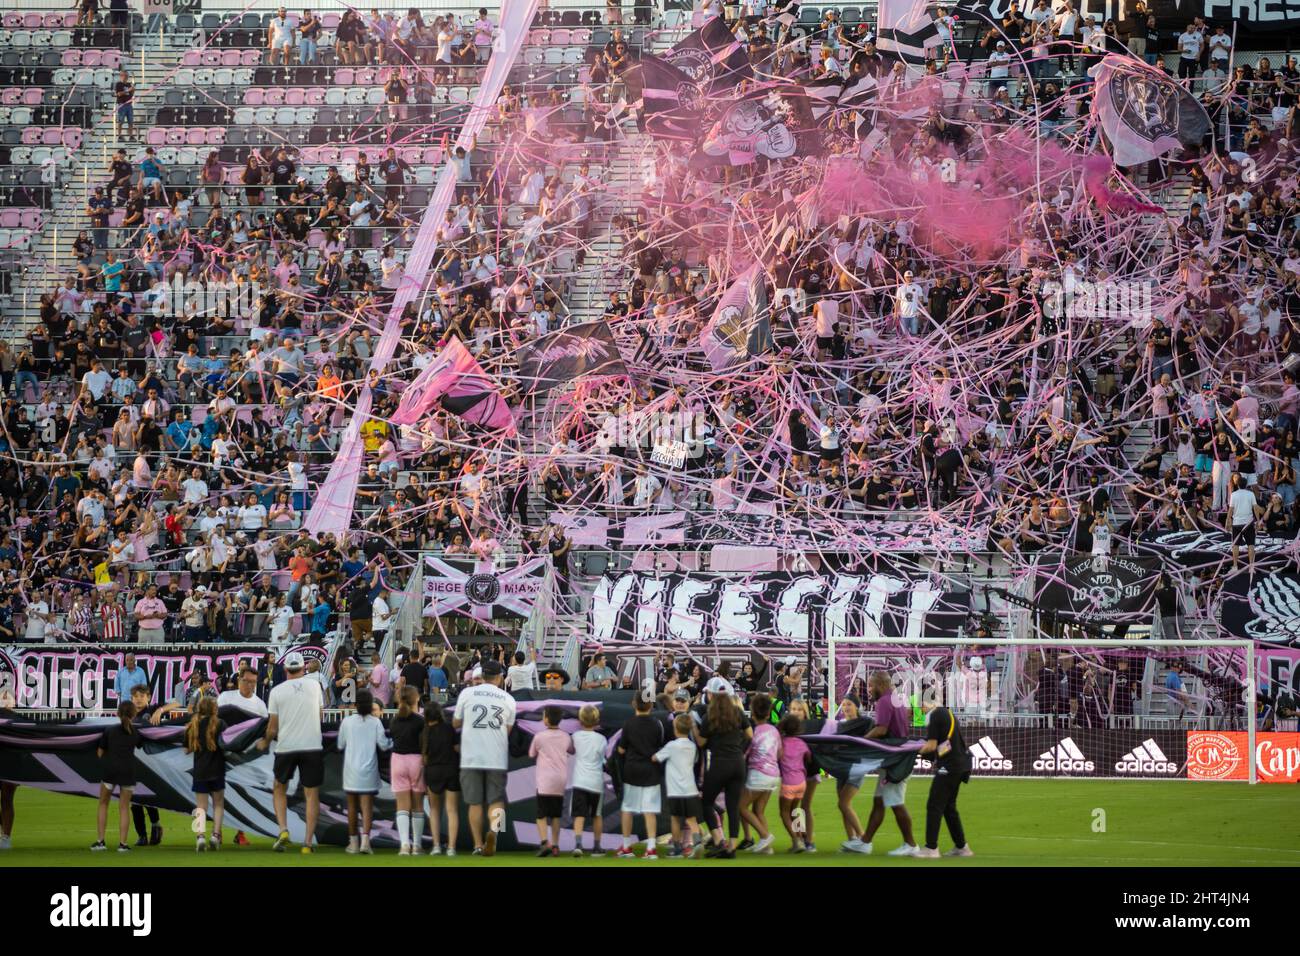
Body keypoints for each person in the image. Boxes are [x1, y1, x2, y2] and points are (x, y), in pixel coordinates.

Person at [257, 651, 324, 853]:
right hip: (312, 745)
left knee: (279, 788)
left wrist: (265, 741)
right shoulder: (314, 686)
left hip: (286, 746)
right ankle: (307, 844)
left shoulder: (276, 691)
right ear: (303, 668)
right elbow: (320, 716)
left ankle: (283, 829)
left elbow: (272, 728)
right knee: (311, 794)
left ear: (285, 669)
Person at [452, 659, 515, 856]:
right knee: (496, 800)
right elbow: (508, 730)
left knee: (474, 802)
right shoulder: (508, 699)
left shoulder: (467, 693)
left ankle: (478, 844)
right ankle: (494, 833)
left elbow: (455, 723)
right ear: (499, 677)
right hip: (496, 754)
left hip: (471, 754)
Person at [856, 671, 919, 856]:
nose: (868, 689)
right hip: (895, 757)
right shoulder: (895, 698)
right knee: (879, 801)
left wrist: (861, 740)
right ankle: (865, 842)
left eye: (870, 685)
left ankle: (910, 844)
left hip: (895, 761)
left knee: (896, 802)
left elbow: (881, 729)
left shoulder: (884, 701)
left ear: (881, 685)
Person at [694, 688, 752, 859]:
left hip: (719, 763)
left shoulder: (709, 717)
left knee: (706, 803)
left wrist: (694, 728)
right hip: (738, 763)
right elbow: (750, 734)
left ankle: (719, 840)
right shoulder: (737, 713)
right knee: (733, 806)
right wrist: (739, 749)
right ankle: (731, 847)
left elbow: (701, 742)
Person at [913, 702, 974, 858]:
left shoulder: (935, 715)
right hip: (961, 765)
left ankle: (931, 848)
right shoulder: (947, 714)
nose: (920, 709)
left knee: (934, 804)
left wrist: (913, 750)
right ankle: (962, 847)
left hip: (950, 766)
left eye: (920, 705)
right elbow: (945, 745)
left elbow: (932, 746)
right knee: (948, 807)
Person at [338, 689, 389, 855]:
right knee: (367, 807)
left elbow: (340, 745)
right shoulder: (376, 723)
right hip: (369, 770)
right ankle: (365, 842)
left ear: (355, 704)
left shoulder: (347, 722)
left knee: (352, 807)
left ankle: (353, 843)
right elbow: (384, 745)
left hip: (351, 771)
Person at [616, 690, 663, 859]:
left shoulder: (629, 724)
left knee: (627, 809)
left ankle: (627, 846)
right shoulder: (657, 723)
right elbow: (659, 745)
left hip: (632, 770)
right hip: (651, 770)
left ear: (634, 704)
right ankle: (651, 848)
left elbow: (621, 749)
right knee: (649, 811)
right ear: (651, 704)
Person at [91, 701, 142, 852]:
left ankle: (100, 842)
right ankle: (123, 844)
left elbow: (100, 753)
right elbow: (141, 744)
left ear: (118, 714)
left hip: (110, 771)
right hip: (128, 772)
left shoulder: (109, 730)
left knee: (103, 804)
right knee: (124, 807)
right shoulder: (135, 733)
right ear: (134, 714)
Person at [652, 712, 702, 858]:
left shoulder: (671, 746)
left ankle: (677, 848)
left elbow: (656, 758)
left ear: (675, 728)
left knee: (675, 819)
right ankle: (697, 843)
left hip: (675, 790)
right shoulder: (692, 747)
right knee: (691, 819)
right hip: (690, 789)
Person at [528, 705, 574, 857]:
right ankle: (555, 845)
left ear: (546, 719)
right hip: (560, 780)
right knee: (555, 815)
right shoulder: (566, 736)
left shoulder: (539, 736)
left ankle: (544, 843)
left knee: (541, 815)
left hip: (544, 781)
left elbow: (531, 754)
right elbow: (571, 749)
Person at [738, 693, 780, 854]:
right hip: (773, 774)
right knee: (759, 810)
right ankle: (766, 848)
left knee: (740, 806)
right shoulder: (774, 731)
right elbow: (779, 753)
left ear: (752, 712)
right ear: (769, 713)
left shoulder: (752, 732)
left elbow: (745, 754)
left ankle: (765, 835)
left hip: (758, 775)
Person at [185, 696, 227, 852]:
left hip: (200, 770)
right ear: (214, 709)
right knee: (218, 804)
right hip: (217, 769)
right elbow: (228, 743)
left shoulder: (193, 725)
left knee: (201, 806)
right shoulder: (221, 724)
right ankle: (215, 835)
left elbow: (186, 749)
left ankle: (200, 837)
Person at [389, 686, 426, 855]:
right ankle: (417, 845)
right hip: (416, 760)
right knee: (418, 806)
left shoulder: (395, 720)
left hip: (398, 760)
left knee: (402, 806)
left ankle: (404, 845)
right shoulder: (420, 721)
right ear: (416, 699)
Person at [422, 700, 460, 856]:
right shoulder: (449, 728)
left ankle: (436, 846)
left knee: (435, 810)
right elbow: (456, 748)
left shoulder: (424, 732)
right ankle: (451, 847)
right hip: (451, 770)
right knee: (452, 810)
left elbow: (424, 758)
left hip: (433, 771)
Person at [569, 704, 606, 857]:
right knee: (597, 815)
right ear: (597, 720)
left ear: (580, 720)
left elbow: (570, 750)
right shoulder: (602, 739)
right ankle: (597, 846)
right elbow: (604, 757)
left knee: (579, 815)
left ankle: (578, 844)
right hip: (596, 782)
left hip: (580, 781)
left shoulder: (575, 736)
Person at [777, 712, 814, 852]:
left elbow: (777, 757)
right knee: (795, 811)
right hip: (801, 783)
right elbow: (809, 758)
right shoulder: (802, 743)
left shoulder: (781, 743)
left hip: (788, 783)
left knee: (784, 812)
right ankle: (801, 837)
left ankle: (795, 840)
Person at [1227, 474, 1260, 572]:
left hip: (1236, 523)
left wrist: (1228, 520)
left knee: (1236, 545)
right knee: (1251, 545)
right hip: (1248, 523)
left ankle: (1235, 566)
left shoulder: (1234, 494)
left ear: (1237, 484)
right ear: (1246, 485)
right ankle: (1251, 567)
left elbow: (1231, 509)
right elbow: (1255, 507)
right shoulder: (1250, 494)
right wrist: (1258, 520)